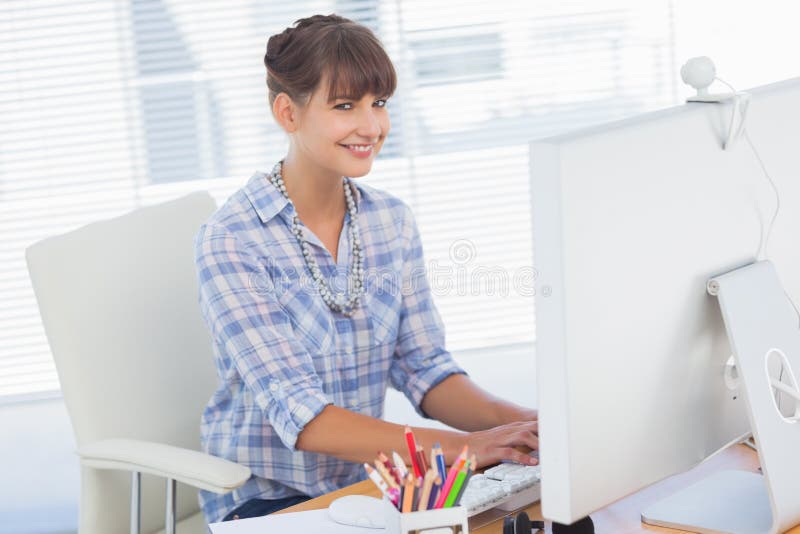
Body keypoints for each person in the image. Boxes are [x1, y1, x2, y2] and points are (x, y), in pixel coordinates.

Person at [194, 13, 539, 524]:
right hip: (267, 501)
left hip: (370, 485)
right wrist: (466, 449)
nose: (371, 125)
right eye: (345, 106)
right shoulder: (232, 240)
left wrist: (528, 426)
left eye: (378, 103)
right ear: (288, 112)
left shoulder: (390, 222)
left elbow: (425, 369)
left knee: (527, 510)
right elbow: (304, 418)